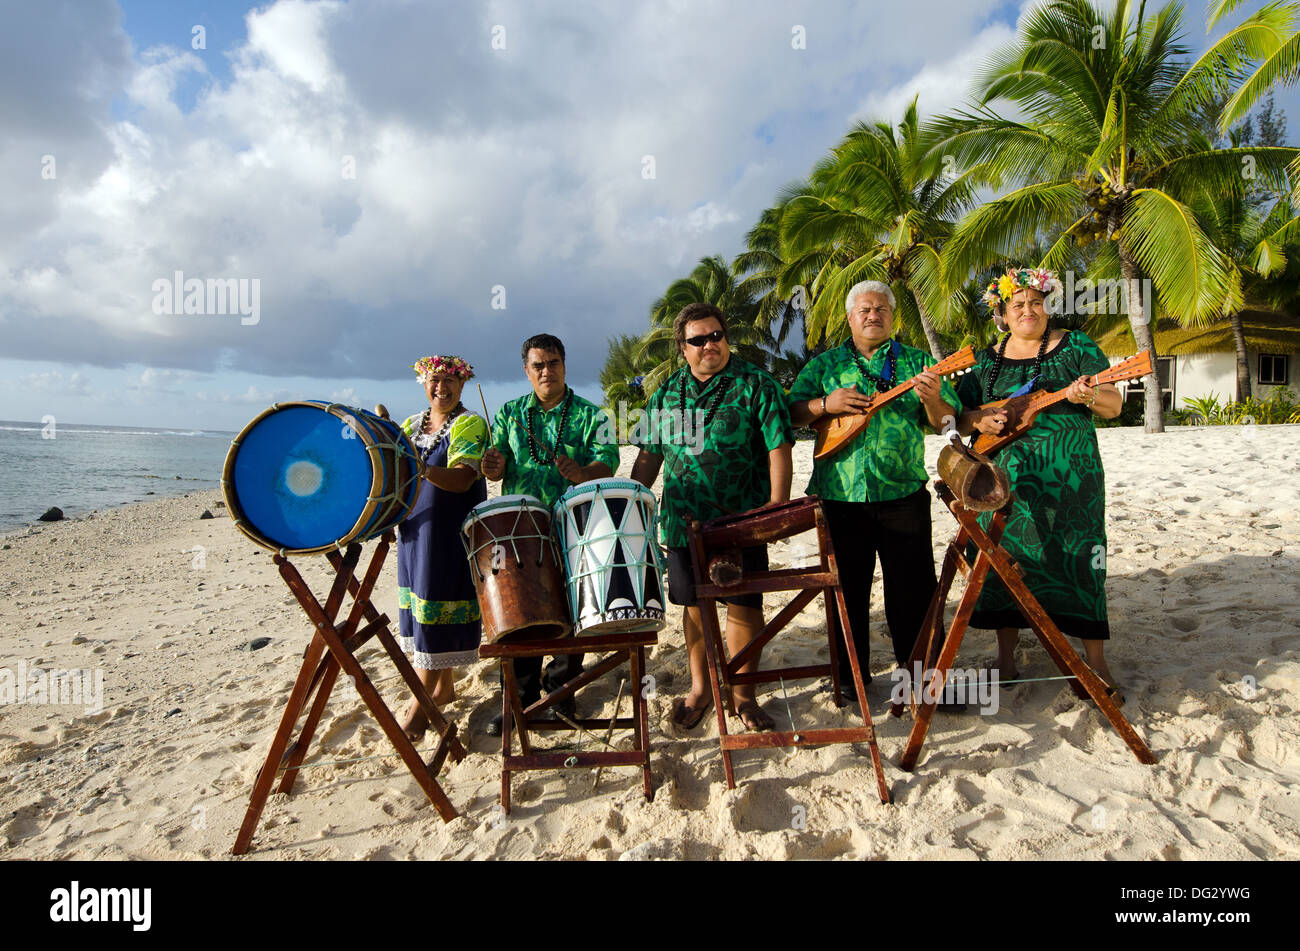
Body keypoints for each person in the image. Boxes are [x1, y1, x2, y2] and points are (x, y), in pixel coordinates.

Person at [956, 267, 1124, 700]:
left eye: (1035, 302)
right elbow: (961, 415)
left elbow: (1114, 406)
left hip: (1072, 480)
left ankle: (1096, 661)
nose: (1028, 310)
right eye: (1018, 305)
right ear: (1002, 314)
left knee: (1081, 557)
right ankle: (1006, 659)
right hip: (1003, 483)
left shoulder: (1077, 347)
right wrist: (980, 418)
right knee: (1003, 563)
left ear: (1047, 305)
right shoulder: (987, 363)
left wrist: (1087, 395)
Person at [788, 280, 960, 702]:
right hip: (839, 497)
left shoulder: (918, 362)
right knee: (846, 591)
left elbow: (944, 420)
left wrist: (935, 399)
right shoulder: (824, 367)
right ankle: (850, 679)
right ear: (850, 317)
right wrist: (826, 405)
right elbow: (790, 413)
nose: (873, 315)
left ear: (892, 316)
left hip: (902, 493)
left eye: (881, 308)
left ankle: (922, 680)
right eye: (864, 309)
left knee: (915, 590)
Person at [630, 302, 794, 732]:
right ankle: (701, 689)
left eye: (716, 336)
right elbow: (648, 457)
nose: (710, 345)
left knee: (742, 603)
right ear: (681, 347)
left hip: (742, 519)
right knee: (695, 607)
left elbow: (779, 447)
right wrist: (629, 499)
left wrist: (777, 509)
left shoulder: (756, 383)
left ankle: (743, 693)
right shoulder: (664, 395)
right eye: (698, 340)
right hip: (684, 523)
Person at [480, 333, 619, 735]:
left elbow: (607, 461)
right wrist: (491, 466)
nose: (546, 371)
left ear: (564, 365)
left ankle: (560, 697)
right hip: (519, 532)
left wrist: (583, 472)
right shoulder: (507, 414)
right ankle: (521, 701)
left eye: (553, 363)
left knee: (572, 610)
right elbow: (497, 467)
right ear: (526, 371)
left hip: (574, 525)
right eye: (538, 365)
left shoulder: (593, 415)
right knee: (522, 611)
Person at [395, 354, 489, 740]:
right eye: (435, 381)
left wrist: (422, 469)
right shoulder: (409, 425)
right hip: (415, 530)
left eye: (450, 382)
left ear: (463, 385)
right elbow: (394, 473)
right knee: (422, 605)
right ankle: (443, 686)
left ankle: (422, 705)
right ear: (423, 383)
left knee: (439, 608)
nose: (442, 388)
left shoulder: (469, 423)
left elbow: (463, 479)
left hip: (448, 533)